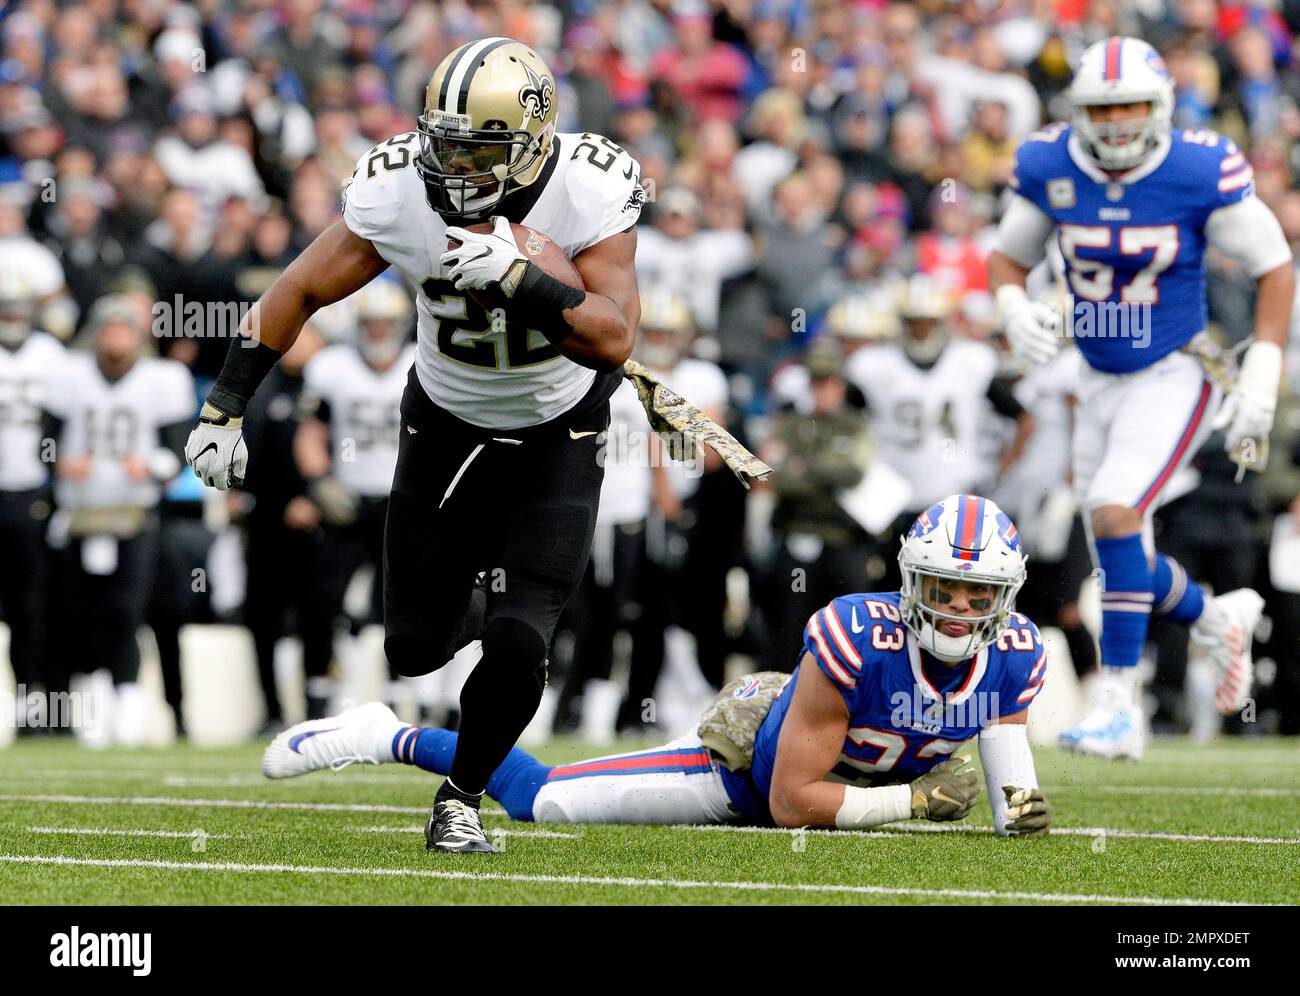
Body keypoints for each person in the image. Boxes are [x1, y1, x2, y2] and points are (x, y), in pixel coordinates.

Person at [186, 38, 644, 852]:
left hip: (559, 428)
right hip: (444, 422)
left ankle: (460, 796)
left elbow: (612, 337)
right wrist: (224, 406)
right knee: (414, 646)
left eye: (478, 146)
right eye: (444, 140)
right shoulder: (400, 189)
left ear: (534, 141)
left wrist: (525, 278)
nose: (453, 162)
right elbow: (296, 290)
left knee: (518, 635)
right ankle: (473, 630)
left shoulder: (586, 187)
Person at [263, 495, 1052, 840]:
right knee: (543, 805)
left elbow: (1014, 806)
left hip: (841, 779)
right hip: (746, 773)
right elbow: (788, 801)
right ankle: (387, 733)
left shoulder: (1015, 656)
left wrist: (1017, 808)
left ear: (1005, 597)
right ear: (910, 581)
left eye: (977, 592)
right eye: (943, 587)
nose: (956, 608)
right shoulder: (857, 634)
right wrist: (910, 805)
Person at [989, 36, 1295, 760]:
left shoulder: (1197, 167)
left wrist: (1262, 371)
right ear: (1079, 110)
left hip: (1174, 369)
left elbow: (1274, 266)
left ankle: (1119, 703)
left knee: (1116, 509)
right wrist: (1011, 307)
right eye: (1104, 107)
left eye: (1131, 104)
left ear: (1160, 107)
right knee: (1120, 549)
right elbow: (1010, 255)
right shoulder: (1050, 163)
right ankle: (1215, 615)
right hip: (1093, 376)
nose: (1119, 121)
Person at [43, 296, 195, 745]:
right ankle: (95, 709)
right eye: (107, 329)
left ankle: (127, 709)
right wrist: (59, 465)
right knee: (81, 615)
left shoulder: (161, 379)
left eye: (123, 329)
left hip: (134, 516)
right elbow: (43, 445)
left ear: (137, 335)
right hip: (80, 517)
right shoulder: (70, 376)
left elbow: (175, 453)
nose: (115, 338)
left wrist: (150, 465)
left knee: (127, 613)